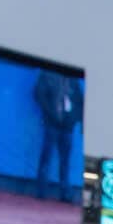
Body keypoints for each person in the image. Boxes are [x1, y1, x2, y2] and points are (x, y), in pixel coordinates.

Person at [32, 69, 83, 203]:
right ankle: (41, 191)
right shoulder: (47, 74)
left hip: (67, 127)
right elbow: (39, 95)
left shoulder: (73, 79)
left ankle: (65, 193)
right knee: (46, 158)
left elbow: (79, 102)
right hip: (52, 124)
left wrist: (73, 120)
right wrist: (51, 114)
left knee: (65, 161)